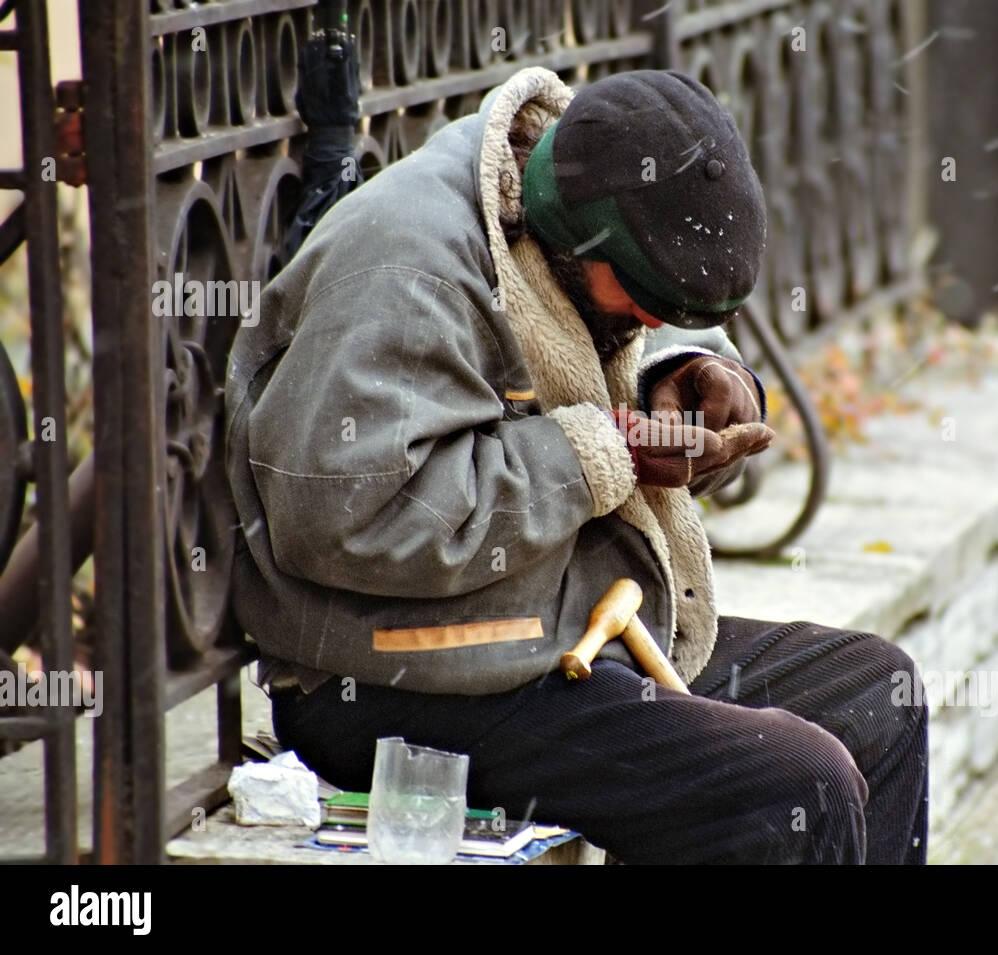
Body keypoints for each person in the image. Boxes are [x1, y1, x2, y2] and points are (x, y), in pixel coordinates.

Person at [224, 66, 928, 864]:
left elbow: (607, 329)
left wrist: (684, 376)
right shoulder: (408, 267)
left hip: (557, 626)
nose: (653, 318)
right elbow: (346, 516)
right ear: (578, 235)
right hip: (391, 674)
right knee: (795, 782)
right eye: (643, 301)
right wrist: (601, 453)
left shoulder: (573, 203)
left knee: (878, 695)